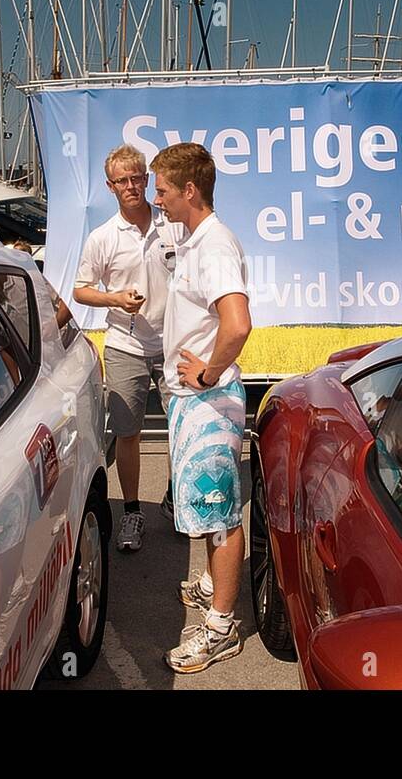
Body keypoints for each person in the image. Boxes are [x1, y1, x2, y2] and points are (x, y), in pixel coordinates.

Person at [152, 142, 252, 674]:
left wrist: (208, 374)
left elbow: (237, 324)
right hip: (195, 399)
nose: (156, 199)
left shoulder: (213, 245)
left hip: (206, 400)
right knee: (211, 512)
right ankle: (217, 583)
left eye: (162, 190)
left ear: (189, 190)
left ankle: (220, 627)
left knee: (218, 515)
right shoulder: (195, 239)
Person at [73, 145, 183, 552]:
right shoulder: (102, 237)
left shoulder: (172, 226)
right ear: (110, 186)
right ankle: (133, 512)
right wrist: (115, 299)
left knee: (181, 428)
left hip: (173, 346)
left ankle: (176, 499)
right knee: (128, 433)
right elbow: (81, 291)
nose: (132, 186)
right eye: (123, 180)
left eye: (138, 177)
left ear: (147, 179)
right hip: (124, 346)